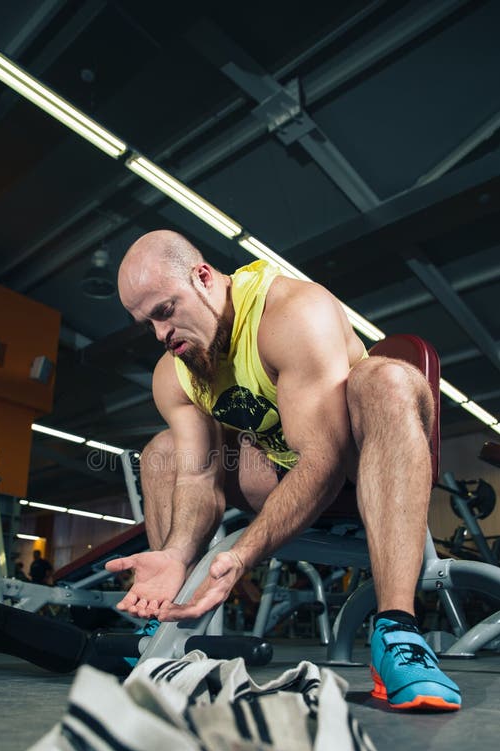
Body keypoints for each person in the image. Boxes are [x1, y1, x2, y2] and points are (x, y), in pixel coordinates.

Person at [106, 229, 461, 712]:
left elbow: (323, 459)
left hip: (357, 461)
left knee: (386, 378)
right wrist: (175, 552)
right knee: (163, 452)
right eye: (146, 323)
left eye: (165, 311)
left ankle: (397, 632)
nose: (160, 335)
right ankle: (167, 625)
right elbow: (196, 476)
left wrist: (242, 554)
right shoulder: (175, 372)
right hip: (278, 477)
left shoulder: (290, 312)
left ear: (203, 278)